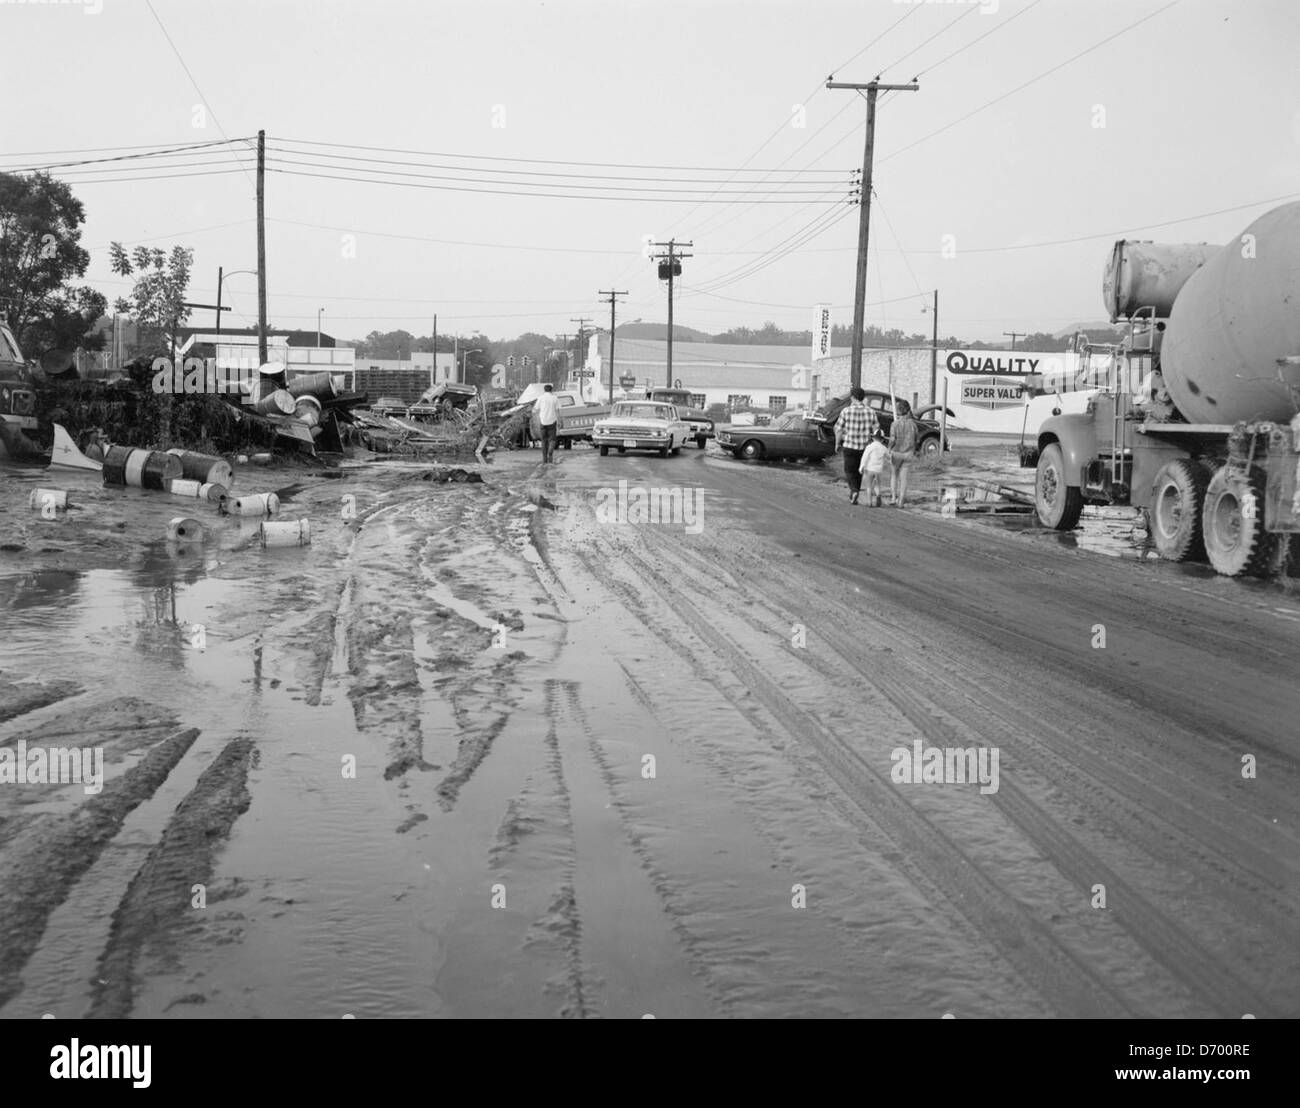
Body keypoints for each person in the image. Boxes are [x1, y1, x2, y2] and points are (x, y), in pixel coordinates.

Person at [833, 386, 877, 504]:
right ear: (863, 398)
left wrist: (837, 443)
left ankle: (854, 490)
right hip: (865, 447)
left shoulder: (846, 411)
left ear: (852, 397)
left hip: (849, 446)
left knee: (849, 470)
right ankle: (855, 491)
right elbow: (877, 430)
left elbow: (838, 429)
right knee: (860, 470)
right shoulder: (871, 412)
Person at [888, 398, 920, 507]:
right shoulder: (914, 425)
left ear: (898, 411)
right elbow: (917, 440)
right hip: (908, 453)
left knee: (894, 476)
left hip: (896, 452)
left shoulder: (894, 424)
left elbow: (892, 439)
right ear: (908, 410)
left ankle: (893, 498)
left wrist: (888, 449)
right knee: (904, 478)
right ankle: (901, 500)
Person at [859, 430, 890, 507]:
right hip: (878, 470)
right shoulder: (883, 448)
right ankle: (878, 495)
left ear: (873, 438)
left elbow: (865, 457)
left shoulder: (870, 447)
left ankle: (869, 502)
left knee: (868, 486)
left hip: (869, 469)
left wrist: (861, 466)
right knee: (877, 485)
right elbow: (889, 457)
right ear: (882, 439)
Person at [536, 383, 560, 463]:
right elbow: (557, 411)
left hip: (543, 422)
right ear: (551, 390)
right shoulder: (555, 398)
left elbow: (536, 409)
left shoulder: (540, 398)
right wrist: (559, 421)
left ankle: (544, 459)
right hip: (552, 422)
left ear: (544, 390)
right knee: (552, 439)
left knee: (544, 440)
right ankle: (550, 452)